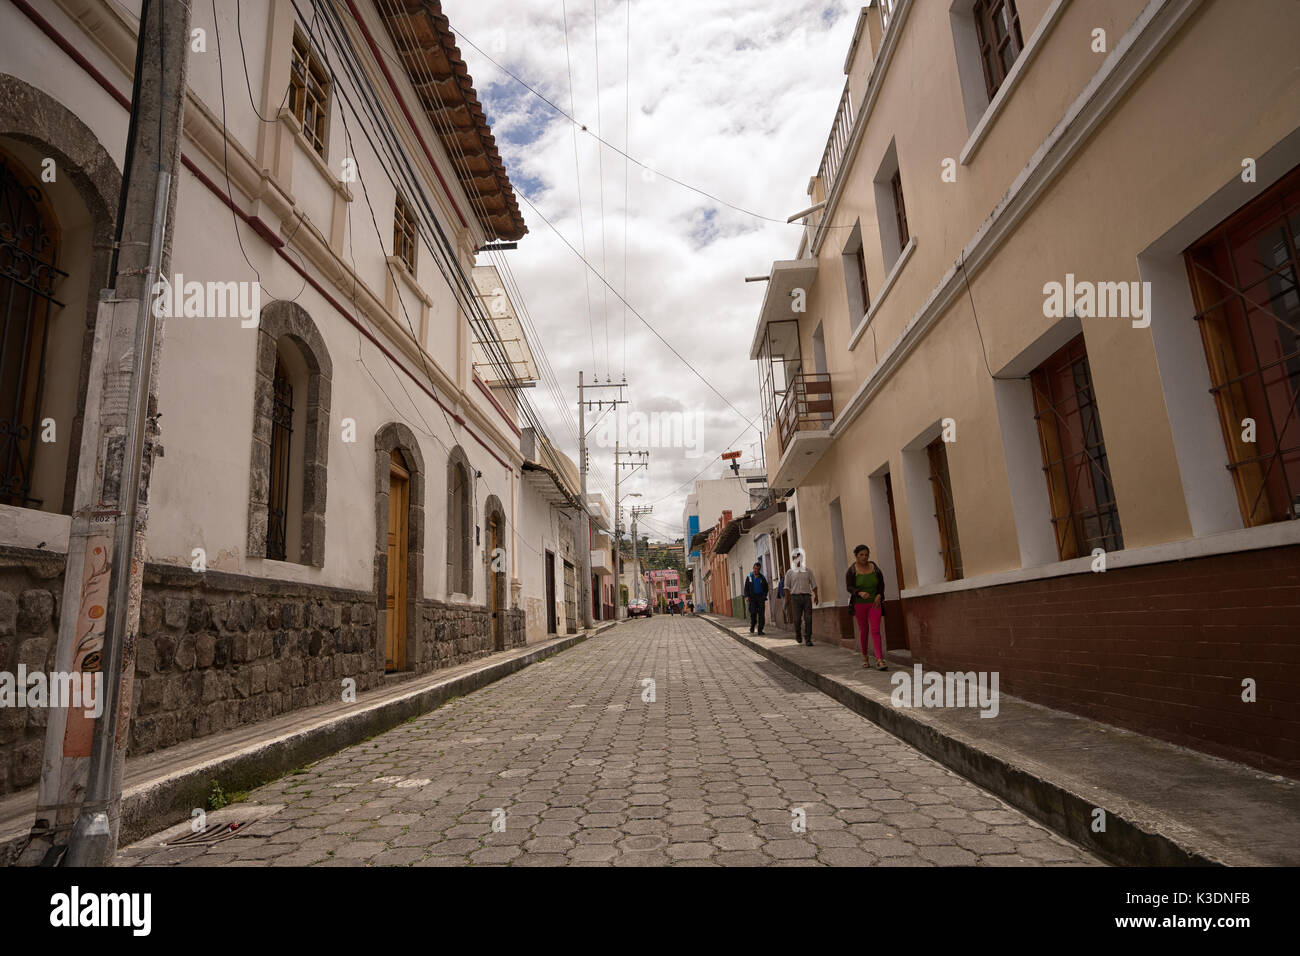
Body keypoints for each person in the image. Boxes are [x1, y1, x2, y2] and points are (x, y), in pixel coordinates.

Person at [846, 544, 887, 670]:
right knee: (864, 630)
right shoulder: (852, 570)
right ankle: (864, 656)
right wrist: (859, 592)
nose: (864, 557)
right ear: (856, 556)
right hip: (860, 605)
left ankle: (879, 659)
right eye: (861, 555)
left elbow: (881, 584)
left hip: (875, 604)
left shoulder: (874, 568)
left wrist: (879, 595)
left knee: (875, 630)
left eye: (866, 554)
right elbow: (849, 587)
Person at [782, 555, 819, 646]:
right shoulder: (789, 573)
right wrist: (787, 600)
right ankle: (798, 634)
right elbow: (786, 587)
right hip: (795, 598)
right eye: (795, 559)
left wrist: (816, 595)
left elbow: (814, 584)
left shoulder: (808, 571)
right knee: (797, 619)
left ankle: (808, 639)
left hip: (807, 597)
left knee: (808, 618)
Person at [742, 562, 770, 634]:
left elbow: (766, 588)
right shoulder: (749, 577)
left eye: (757, 569)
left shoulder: (762, 578)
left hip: (760, 598)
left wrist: (764, 596)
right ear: (753, 568)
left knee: (761, 614)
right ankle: (752, 625)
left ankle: (760, 630)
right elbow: (746, 588)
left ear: (759, 569)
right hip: (752, 598)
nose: (755, 570)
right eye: (754, 568)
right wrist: (747, 596)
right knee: (753, 614)